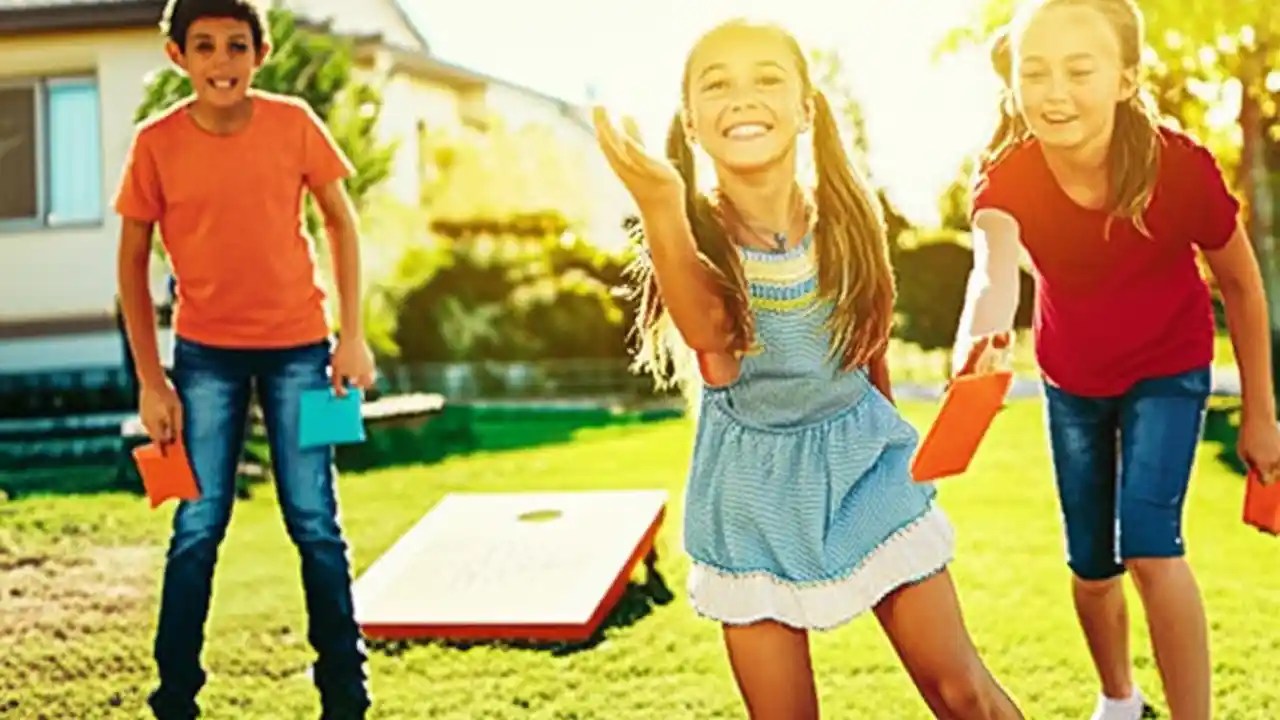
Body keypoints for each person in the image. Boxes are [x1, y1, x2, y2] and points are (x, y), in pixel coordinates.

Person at [594, 18, 1024, 720]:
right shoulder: (694, 235)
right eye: (717, 84)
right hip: (751, 498)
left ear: (805, 109)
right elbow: (714, 343)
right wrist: (661, 207)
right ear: (693, 123)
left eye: (767, 77)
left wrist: (939, 417)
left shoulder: (850, 217)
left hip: (864, 469)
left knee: (963, 692)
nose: (743, 96)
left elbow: (869, 350)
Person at [952, 1, 1280, 718]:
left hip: (1170, 368)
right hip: (1074, 379)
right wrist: (977, 337)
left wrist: (1263, 415)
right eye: (1034, 71)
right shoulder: (1009, 175)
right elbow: (992, 268)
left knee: (1151, 545)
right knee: (1092, 566)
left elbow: (1243, 286)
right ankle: (1118, 698)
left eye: (1079, 70)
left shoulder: (1180, 166)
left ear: (1126, 78)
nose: (1054, 91)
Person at [114, 1, 376, 717]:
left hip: (303, 351)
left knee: (315, 518)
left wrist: (351, 335)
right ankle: (174, 696)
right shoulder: (156, 144)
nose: (221, 62)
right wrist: (150, 380)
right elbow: (132, 262)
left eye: (236, 45)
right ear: (178, 57)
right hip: (205, 361)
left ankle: (345, 691)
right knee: (196, 524)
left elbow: (340, 222)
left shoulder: (292, 123)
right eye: (204, 47)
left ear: (259, 54)